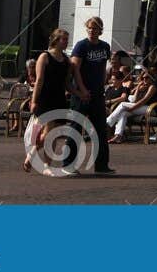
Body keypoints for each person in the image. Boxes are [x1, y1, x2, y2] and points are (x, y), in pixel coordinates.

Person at [24, 28, 72, 173]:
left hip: (59, 98)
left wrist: (80, 93)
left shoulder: (66, 60)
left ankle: (46, 164)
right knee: (47, 133)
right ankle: (33, 156)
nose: (66, 42)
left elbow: (67, 83)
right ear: (56, 40)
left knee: (54, 134)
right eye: (64, 39)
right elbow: (39, 81)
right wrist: (34, 101)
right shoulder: (44, 57)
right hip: (45, 99)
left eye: (67, 39)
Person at [70, 16, 114, 174]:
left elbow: (103, 68)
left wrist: (102, 85)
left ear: (100, 30)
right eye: (89, 28)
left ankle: (101, 165)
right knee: (76, 128)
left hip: (97, 94)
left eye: (95, 28)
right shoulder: (81, 46)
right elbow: (75, 68)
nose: (91, 31)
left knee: (100, 130)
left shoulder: (105, 47)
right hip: (81, 94)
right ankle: (69, 164)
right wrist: (82, 89)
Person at [109, 70, 157, 143]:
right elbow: (135, 100)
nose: (144, 79)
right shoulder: (143, 87)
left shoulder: (152, 87)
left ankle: (108, 123)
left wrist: (132, 108)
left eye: (146, 78)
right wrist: (138, 88)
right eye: (143, 78)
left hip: (152, 109)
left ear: (151, 78)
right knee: (123, 113)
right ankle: (118, 136)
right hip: (143, 108)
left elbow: (144, 100)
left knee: (122, 104)